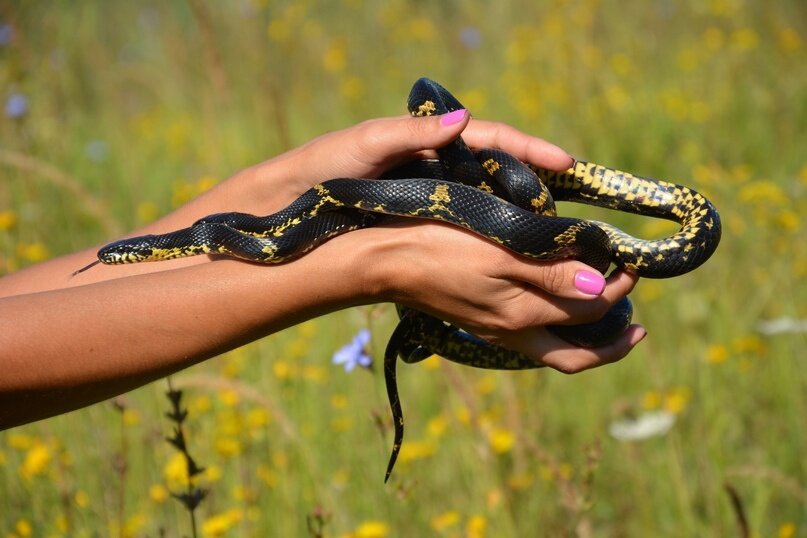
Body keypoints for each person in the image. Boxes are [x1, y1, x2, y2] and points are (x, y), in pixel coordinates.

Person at [0, 111, 644, 429]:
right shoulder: (240, 243)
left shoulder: (217, 234)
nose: (111, 257)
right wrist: (376, 263)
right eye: (118, 254)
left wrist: (288, 179)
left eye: (120, 253)